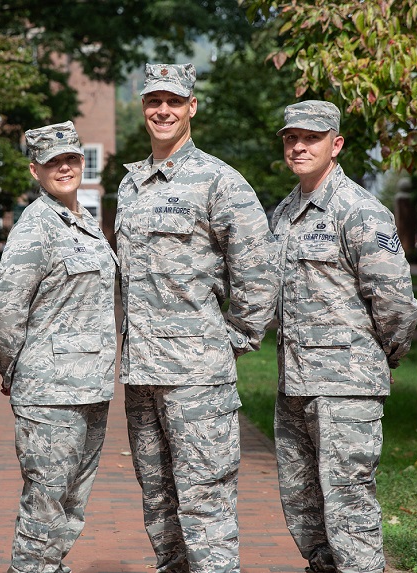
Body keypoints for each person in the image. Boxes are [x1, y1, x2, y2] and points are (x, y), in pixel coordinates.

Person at [114, 62, 278, 573]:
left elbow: (258, 272)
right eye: (153, 102)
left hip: (196, 377)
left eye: (173, 102)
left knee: (205, 504)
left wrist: (231, 338)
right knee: (158, 501)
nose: (162, 110)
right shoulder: (132, 183)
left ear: (192, 107)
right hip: (140, 373)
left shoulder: (220, 181)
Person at [269, 101, 417, 573]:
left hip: (347, 387)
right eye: (291, 138)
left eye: (310, 138)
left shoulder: (360, 211)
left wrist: (378, 360)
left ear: (335, 145)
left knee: (349, 511)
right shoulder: (285, 212)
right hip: (293, 384)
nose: (298, 146)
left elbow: (396, 303)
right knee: (303, 507)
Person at [0, 121, 117, 573]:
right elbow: (6, 307)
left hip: (92, 387)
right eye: (52, 163)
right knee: (45, 506)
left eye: (71, 160)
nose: (64, 168)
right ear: (35, 170)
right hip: (49, 392)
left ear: (81, 163)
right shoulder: (36, 225)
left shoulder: (84, 221)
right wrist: (14, 366)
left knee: (71, 504)